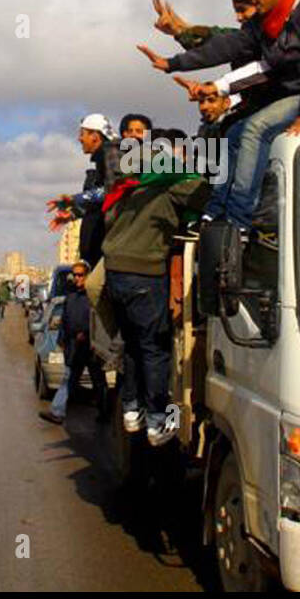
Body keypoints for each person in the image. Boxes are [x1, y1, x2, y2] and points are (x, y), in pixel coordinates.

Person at [141, 0, 300, 230]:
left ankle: (239, 219)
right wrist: (174, 63)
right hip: (289, 98)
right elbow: (226, 45)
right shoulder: (263, 24)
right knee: (233, 134)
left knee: (255, 128)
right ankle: (216, 210)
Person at [101, 148, 209, 446]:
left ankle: (131, 409)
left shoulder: (130, 186)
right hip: (145, 277)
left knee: (135, 344)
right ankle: (159, 421)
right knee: (156, 349)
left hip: (115, 274)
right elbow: (206, 193)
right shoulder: (171, 184)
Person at [39, 261, 108, 425]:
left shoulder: (94, 296)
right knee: (68, 379)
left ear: (88, 276)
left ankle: (105, 412)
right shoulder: (70, 297)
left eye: (80, 275)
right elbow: (65, 320)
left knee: (98, 382)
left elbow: (100, 320)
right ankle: (57, 411)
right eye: (75, 275)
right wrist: (62, 341)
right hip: (74, 349)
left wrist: (89, 335)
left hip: (91, 348)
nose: (77, 278)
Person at [47, 113, 117, 268]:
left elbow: (112, 192)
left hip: (107, 251)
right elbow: (100, 202)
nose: (79, 139)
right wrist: (74, 213)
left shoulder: (110, 153)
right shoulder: (102, 159)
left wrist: (75, 199)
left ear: (95, 136)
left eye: (82, 134)